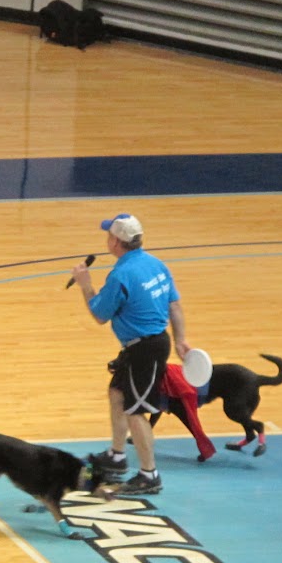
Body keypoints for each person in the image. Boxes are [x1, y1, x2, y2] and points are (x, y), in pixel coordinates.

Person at [70, 213, 190, 497]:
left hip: (144, 350)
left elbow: (100, 315)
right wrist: (181, 339)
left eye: (108, 235)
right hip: (149, 344)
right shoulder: (156, 265)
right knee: (117, 393)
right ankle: (117, 455)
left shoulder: (121, 275)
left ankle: (149, 475)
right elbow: (174, 305)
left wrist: (85, 284)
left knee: (136, 412)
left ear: (115, 241)